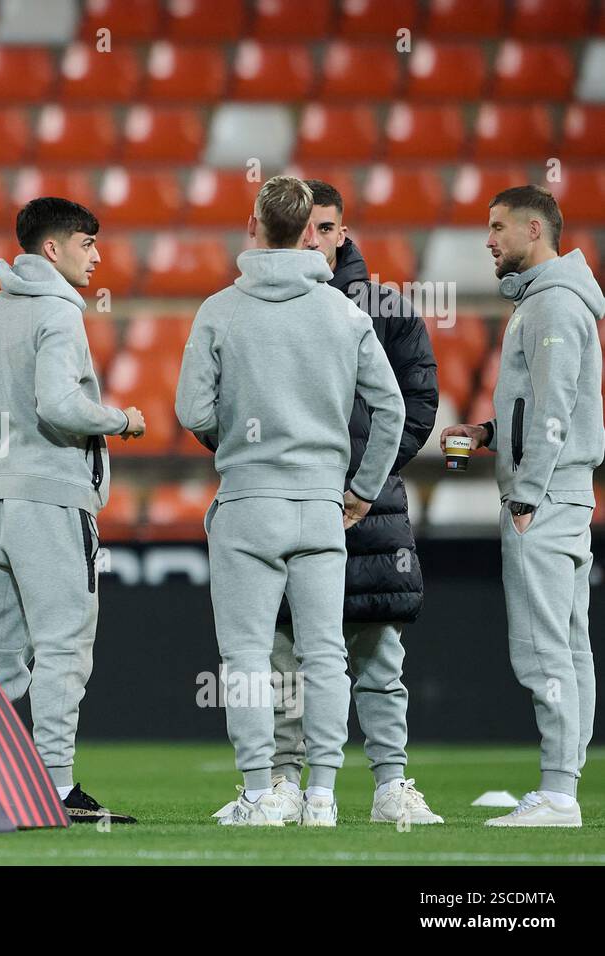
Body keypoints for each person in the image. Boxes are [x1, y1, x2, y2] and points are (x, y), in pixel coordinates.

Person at [177, 176, 404, 827]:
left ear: (255, 225)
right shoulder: (344, 312)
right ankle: (324, 796)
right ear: (311, 231)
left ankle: (261, 791)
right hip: (319, 506)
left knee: (247, 657)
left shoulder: (219, 309)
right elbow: (389, 407)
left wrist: (239, 436)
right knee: (326, 651)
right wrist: (361, 488)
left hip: (248, 502)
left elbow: (191, 407)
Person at [267, 180, 443, 825]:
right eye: (304, 226)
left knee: (377, 654)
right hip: (292, 499)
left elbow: (418, 405)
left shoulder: (384, 308)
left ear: (342, 233)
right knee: (286, 653)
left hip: (369, 508)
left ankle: (390, 785)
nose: (313, 238)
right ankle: (285, 784)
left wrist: (365, 483)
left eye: (325, 227)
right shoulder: (264, 304)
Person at [0, 197, 145, 822]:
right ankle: (55, 785)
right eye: (87, 242)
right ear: (53, 249)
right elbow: (58, 406)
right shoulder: (60, 315)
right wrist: (122, 420)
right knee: (64, 646)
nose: (97, 255)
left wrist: (12, 467)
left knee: (2, 649)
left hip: (2, 500)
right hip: (52, 503)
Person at [441, 185, 603, 828]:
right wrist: (489, 434)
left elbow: (556, 409)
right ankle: (566, 779)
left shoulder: (553, 306)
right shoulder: (555, 302)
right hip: (567, 491)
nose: (488, 240)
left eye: (498, 227)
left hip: (548, 495)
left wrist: (527, 493)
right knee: (568, 642)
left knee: (543, 649)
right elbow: (539, 406)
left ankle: (559, 791)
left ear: (535, 229)